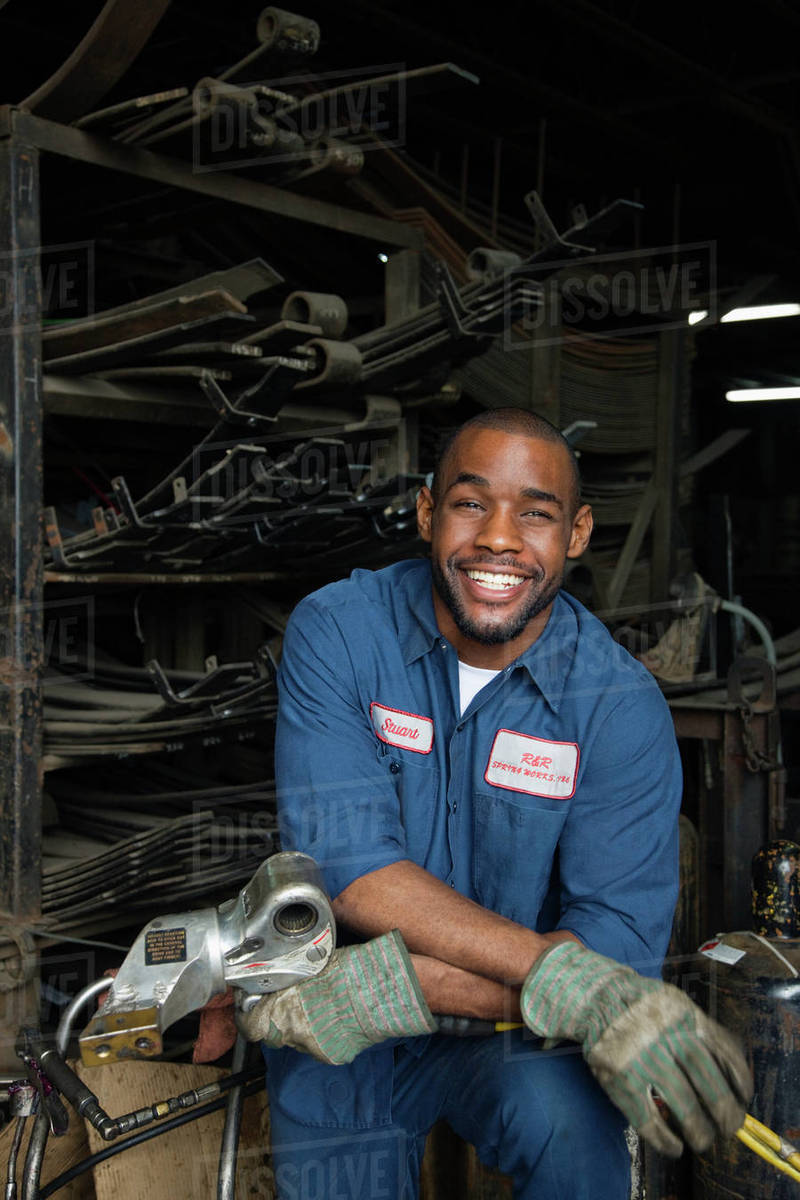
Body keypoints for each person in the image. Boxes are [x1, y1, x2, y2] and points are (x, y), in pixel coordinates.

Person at [239, 408, 751, 1200]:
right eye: (471, 503)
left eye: (536, 513)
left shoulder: (617, 706)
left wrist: (400, 986)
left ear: (576, 533)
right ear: (426, 512)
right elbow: (355, 873)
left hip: (487, 1028)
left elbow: (610, 952)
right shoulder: (339, 633)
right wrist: (568, 984)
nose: (499, 540)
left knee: (576, 1141)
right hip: (336, 1026)